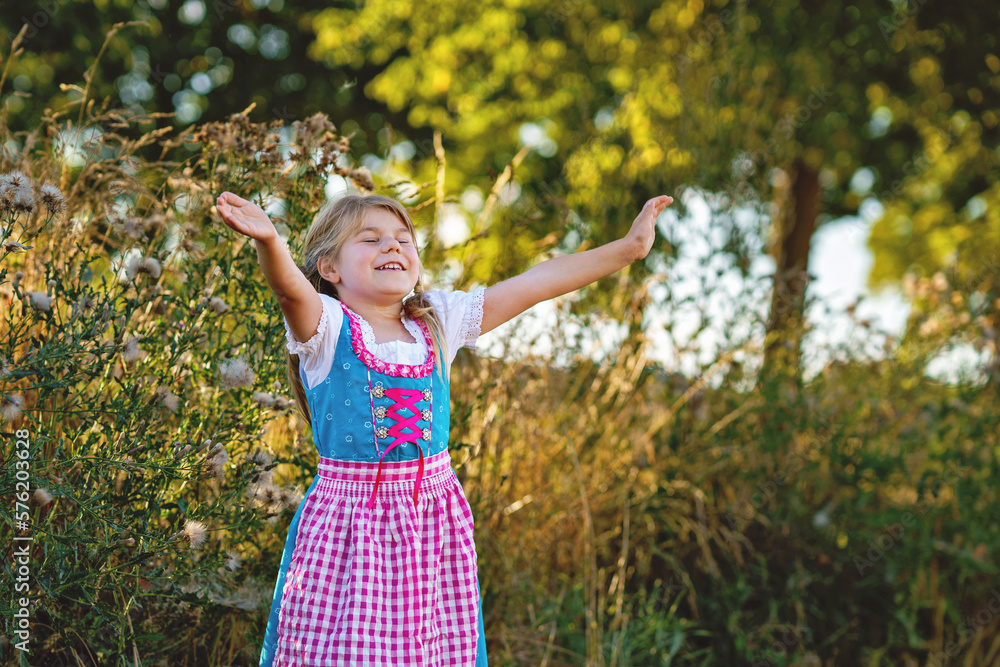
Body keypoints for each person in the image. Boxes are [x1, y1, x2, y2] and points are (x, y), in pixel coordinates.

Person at [214, 188, 673, 666]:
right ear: (329, 268)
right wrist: (270, 241)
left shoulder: (436, 321)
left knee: (432, 651)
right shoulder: (327, 329)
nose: (392, 247)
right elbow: (290, 288)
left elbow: (536, 282)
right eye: (370, 239)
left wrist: (628, 249)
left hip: (429, 525)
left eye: (403, 239)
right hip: (350, 530)